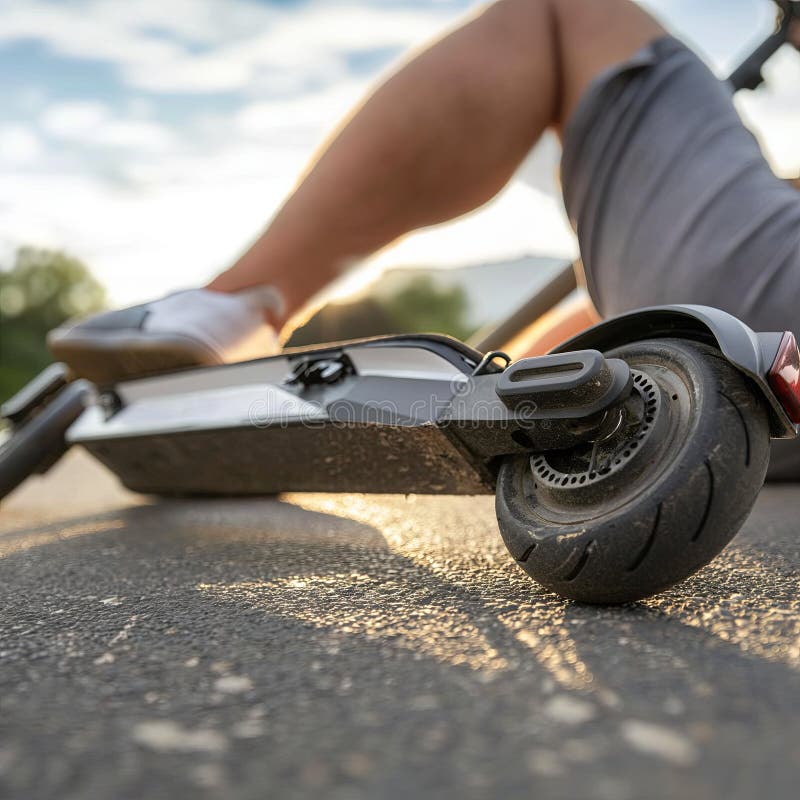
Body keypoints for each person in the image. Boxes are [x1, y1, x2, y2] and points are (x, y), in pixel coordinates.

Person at [49, 0, 800, 386]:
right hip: (765, 356)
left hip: (768, 345)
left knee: (563, 12)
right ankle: (513, 388)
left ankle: (235, 307)